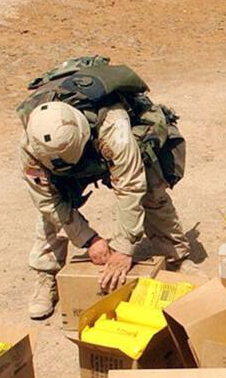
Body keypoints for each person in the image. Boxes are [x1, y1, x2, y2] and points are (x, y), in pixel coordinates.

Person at [18, 56, 190, 319]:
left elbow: (131, 186)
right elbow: (47, 201)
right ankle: (46, 274)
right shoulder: (32, 145)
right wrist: (88, 239)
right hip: (67, 158)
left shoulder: (113, 125)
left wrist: (123, 247)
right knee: (52, 211)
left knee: (151, 189)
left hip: (108, 146)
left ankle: (175, 256)